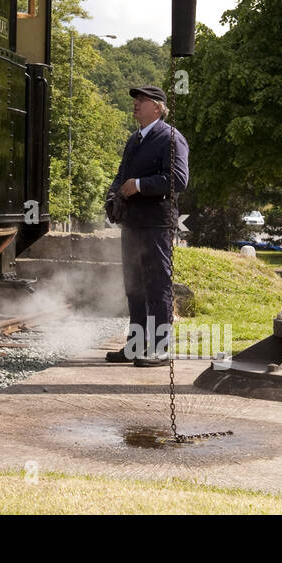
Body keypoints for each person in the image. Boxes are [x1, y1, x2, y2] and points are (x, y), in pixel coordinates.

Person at [104, 85, 189, 366]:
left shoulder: (171, 137)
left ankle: (161, 348)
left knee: (157, 285)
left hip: (156, 224)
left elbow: (178, 179)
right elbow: (121, 175)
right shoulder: (134, 140)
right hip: (133, 223)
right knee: (135, 286)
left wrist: (138, 186)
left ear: (158, 107)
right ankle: (137, 344)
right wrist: (113, 194)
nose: (136, 104)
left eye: (142, 100)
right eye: (135, 100)